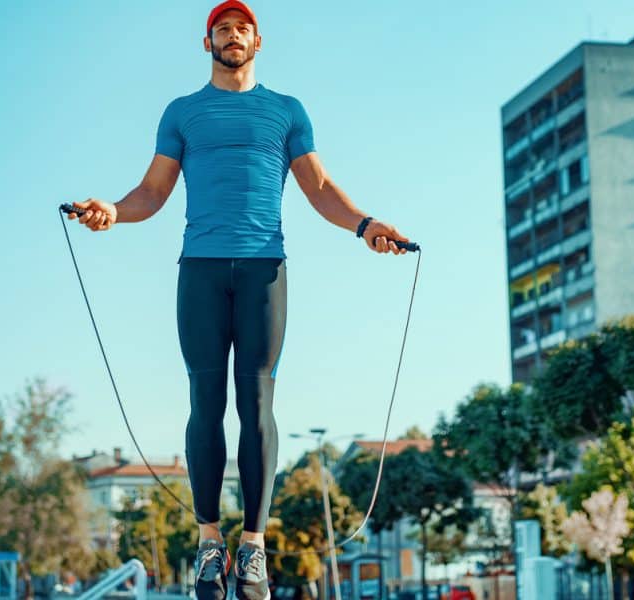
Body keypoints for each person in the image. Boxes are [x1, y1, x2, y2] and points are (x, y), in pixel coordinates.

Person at [67, 2, 410, 599]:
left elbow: (320, 188)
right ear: (208, 43)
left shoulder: (286, 111)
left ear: (258, 41)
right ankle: (209, 544)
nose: (233, 36)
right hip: (199, 270)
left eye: (242, 29)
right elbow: (152, 191)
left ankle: (251, 548)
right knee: (205, 401)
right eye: (222, 29)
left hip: (263, 271)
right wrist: (113, 214)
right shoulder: (182, 112)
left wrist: (366, 225)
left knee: (255, 403)